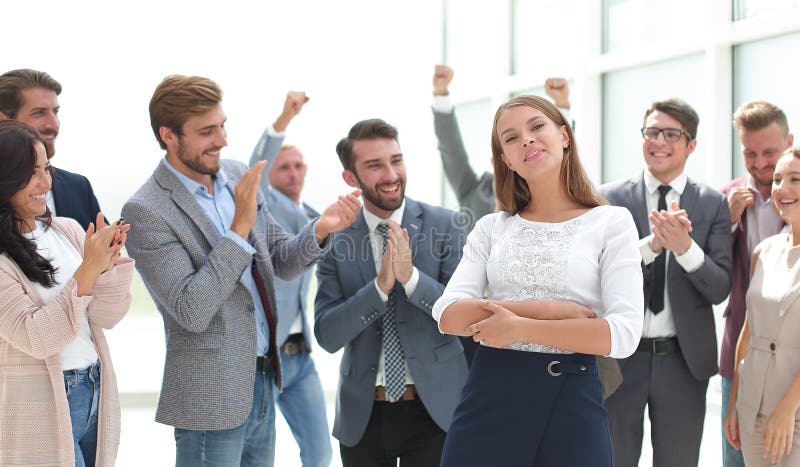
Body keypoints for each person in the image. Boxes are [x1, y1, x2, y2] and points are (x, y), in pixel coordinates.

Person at [122, 75, 360, 467]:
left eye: (222, 125)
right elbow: (192, 309)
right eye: (207, 131)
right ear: (169, 135)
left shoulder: (236, 174)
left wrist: (321, 228)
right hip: (209, 400)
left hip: (264, 380)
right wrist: (239, 227)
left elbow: (281, 261)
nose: (222, 140)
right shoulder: (145, 210)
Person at [433, 95, 644, 466]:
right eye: (511, 138)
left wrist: (518, 328)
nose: (526, 140)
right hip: (489, 396)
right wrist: (546, 311)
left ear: (564, 136)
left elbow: (622, 335)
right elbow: (448, 315)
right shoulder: (490, 228)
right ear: (506, 160)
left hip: (572, 399)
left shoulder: (611, 222)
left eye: (536, 127)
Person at [314, 118, 468, 466]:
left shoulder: (446, 225)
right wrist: (379, 288)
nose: (391, 174)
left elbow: (463, 315)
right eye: (374, 165)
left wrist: (411, 279)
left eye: (395, 160)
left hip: (437, 411)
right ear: (350, 178)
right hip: (363, 417)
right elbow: (326, 334)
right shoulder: (335, 238)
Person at [601, 98, 732, 467]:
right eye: (652, 132)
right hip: (619, 360)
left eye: (671, 134)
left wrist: (685, 249)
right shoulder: (609, 199)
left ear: (691, 145)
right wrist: (651, 247)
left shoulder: (712, 204)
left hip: (683, 362)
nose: (659, 141)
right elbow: (597, 275)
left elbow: (721, 287)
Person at [0, 120, 134, 466]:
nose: (46, 183)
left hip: (93, 385)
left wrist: (108, 265)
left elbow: (106, 317)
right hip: (43, 403)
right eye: (32, 173)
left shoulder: (67, 230)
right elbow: (38, 337)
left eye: (47, 169)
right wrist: (87, 270)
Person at [248, 91, 332, 467]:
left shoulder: (315, 215)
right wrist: (283, 120)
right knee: (256, 456)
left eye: (299, 166)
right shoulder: (267, 205)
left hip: (301, 356)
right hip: (265, 357)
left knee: (320, 453)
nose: (293, 174)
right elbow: (256, 170)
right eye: (285, 167)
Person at [719, 101, 793, 467]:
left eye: (770, 153)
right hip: (743, 352)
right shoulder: (725, 199)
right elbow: (708, 273)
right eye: (750, 153)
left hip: (793, 362)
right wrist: (728, 221)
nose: (761, 163)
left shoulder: (791, 195)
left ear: (789, 143)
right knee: (736, 458)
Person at [0, 69, 103, 228]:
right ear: (3, 121)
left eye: (55, 111)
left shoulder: (78, 187)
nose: (54, 124)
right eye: (39, 113)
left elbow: (107, 249)